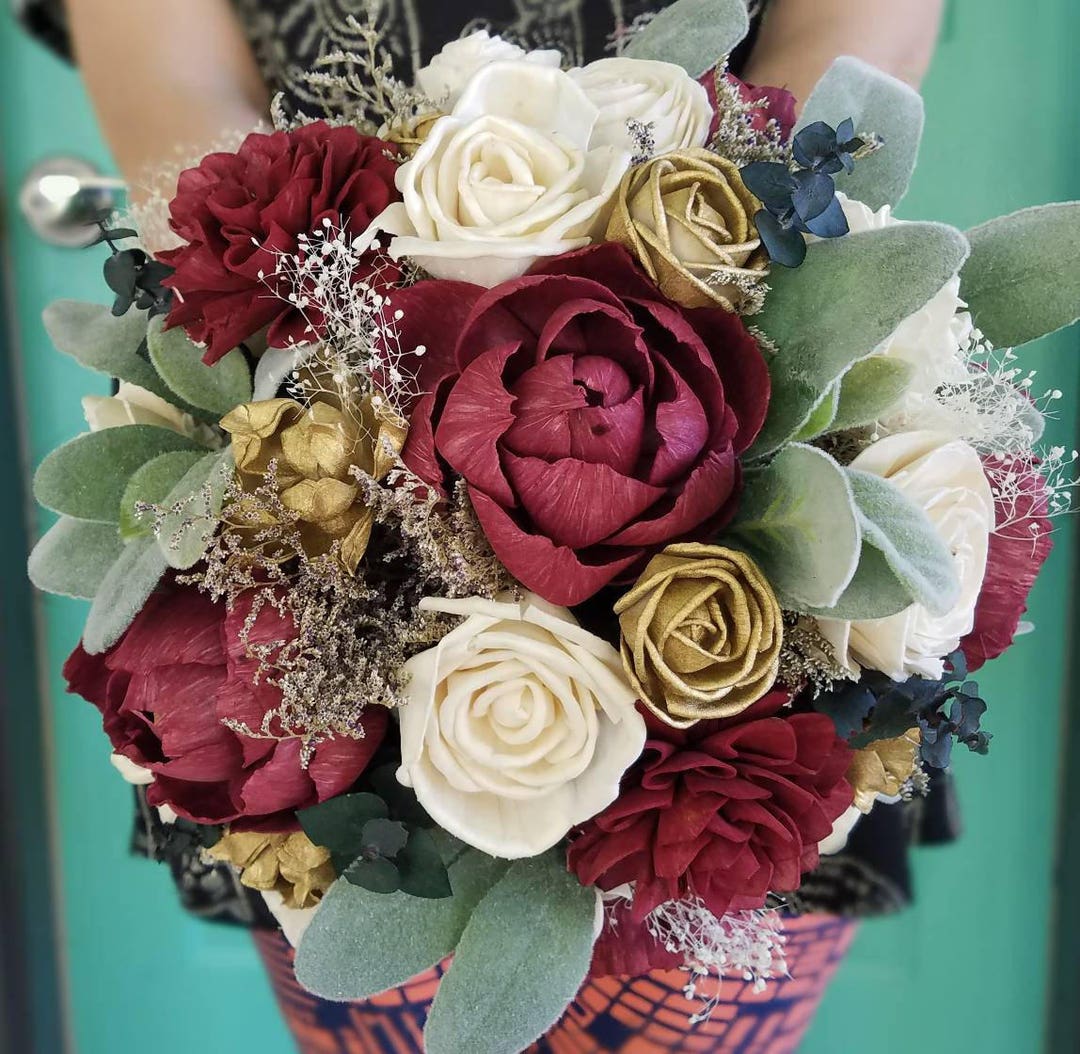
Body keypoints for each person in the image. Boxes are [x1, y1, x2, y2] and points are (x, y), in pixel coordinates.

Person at [53, 2, 948, 1052]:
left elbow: (850, 57)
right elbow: (178, 107)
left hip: (750, 541)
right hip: (315, 524)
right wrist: (379, 401)